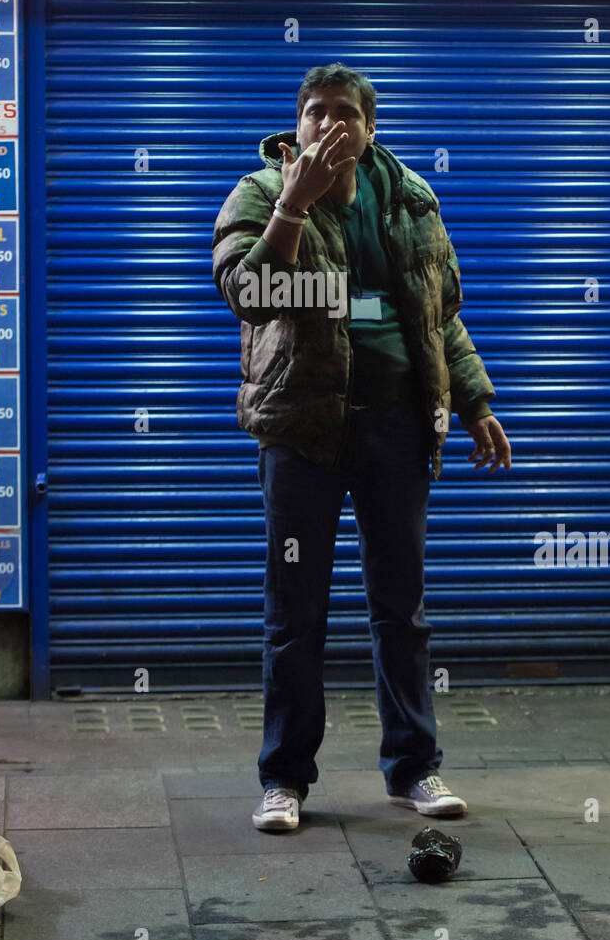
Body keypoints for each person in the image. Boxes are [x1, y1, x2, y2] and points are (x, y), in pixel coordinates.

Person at [212, 62, 511, 832]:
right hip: (303, 430)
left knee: (400, 609)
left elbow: (437, 312)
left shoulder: (411, 198)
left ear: (371, 127)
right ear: (297, 123)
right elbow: (249, 295)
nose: (329, 123)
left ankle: (414, 769)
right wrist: (292, 207)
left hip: (399, 428)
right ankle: (284, 779)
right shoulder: (259, 191)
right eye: (314, 111)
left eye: (345, 111)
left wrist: (474, 400)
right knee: (294, 610)